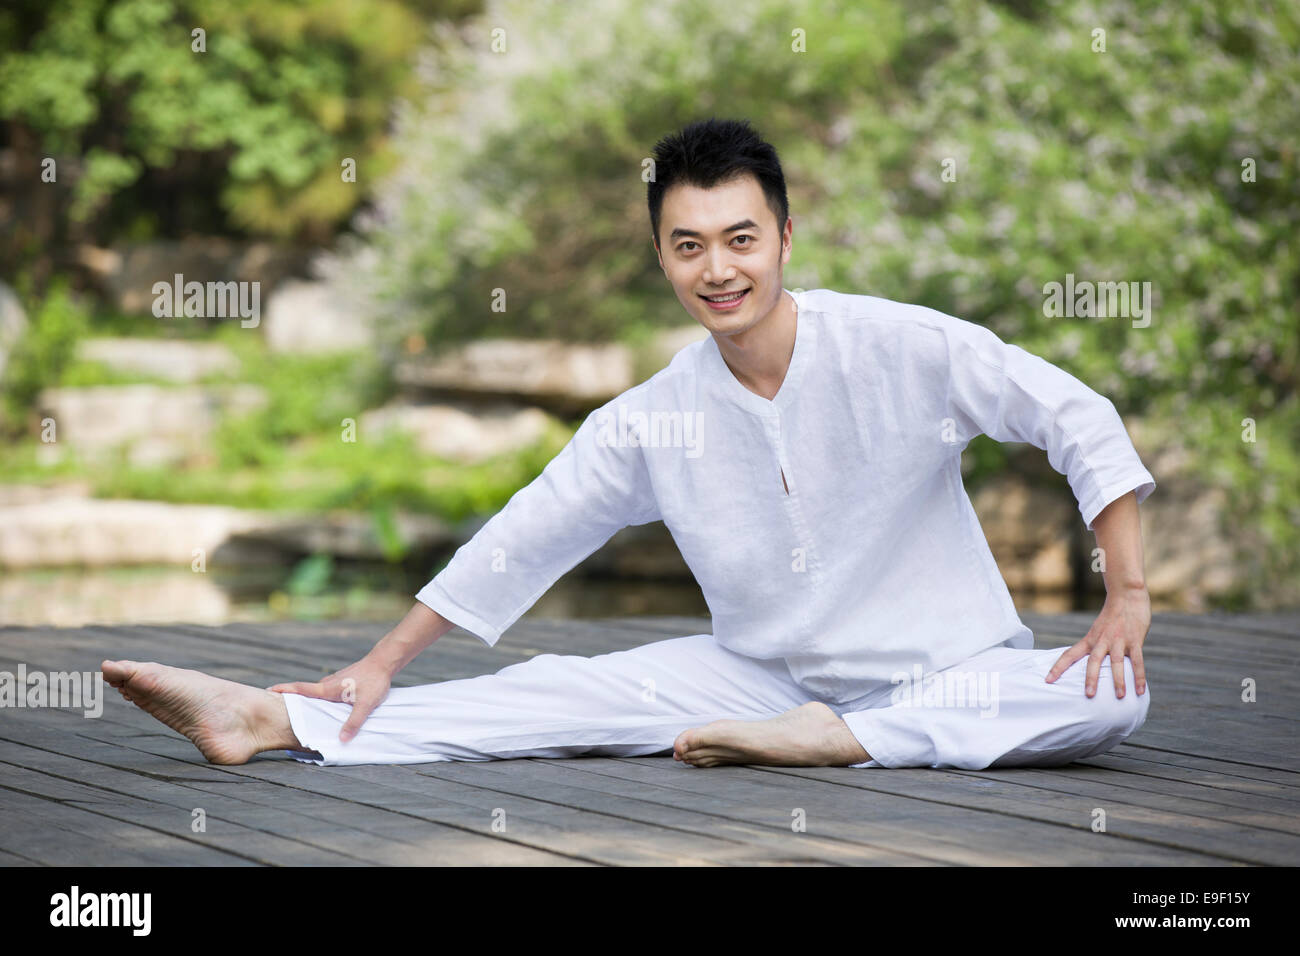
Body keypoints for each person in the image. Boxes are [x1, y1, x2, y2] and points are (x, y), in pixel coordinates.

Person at [102, 117, 1156, 771]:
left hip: (946, 674)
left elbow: (1075, 414)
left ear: (785, 238)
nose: (718, 269)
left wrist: (1128, 596)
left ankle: (843, 743)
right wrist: (376, 663)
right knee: (565, 686)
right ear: (661, 255)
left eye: (741, 239)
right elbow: (525, 535)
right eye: (687, 245)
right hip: (758, 681)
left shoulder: (902, 345)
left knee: (1110, 695)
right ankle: (269, 720)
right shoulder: (651, 415)